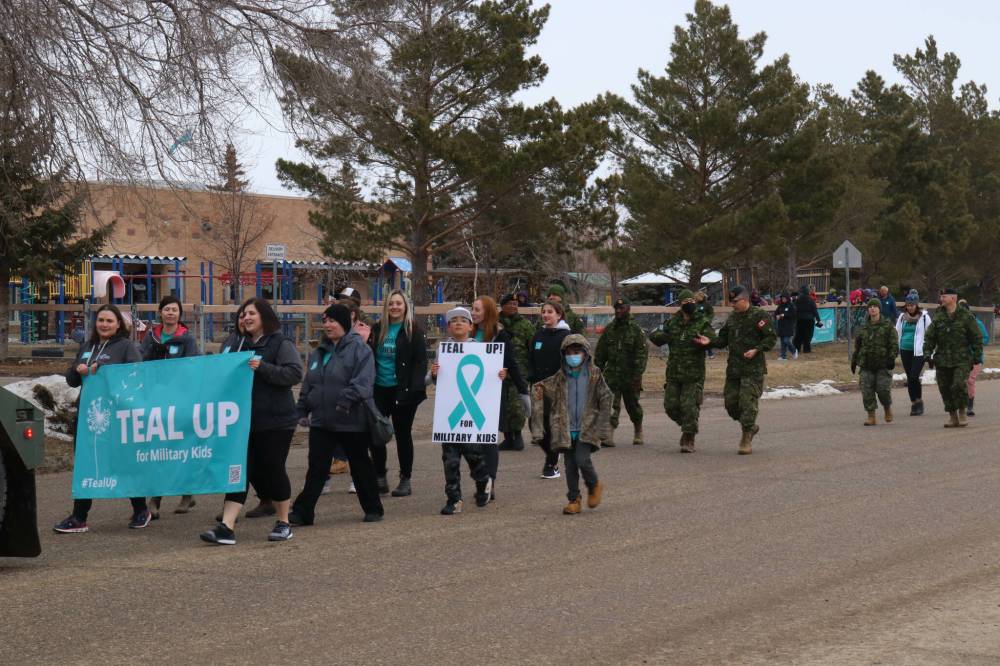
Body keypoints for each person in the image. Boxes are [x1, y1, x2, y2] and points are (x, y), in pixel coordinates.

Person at [200, 298, 302, 545]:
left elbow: (294, 373)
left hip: (276, 420)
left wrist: (263, 367)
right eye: (243, 314)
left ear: (264, 316)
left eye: (251, 314)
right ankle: (226, 526)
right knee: (237, 471)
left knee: (272, 470)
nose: (245, 318)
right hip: (242, 421)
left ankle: (283, 522)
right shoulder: (237, 344)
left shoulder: (280, 342)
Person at [54, 304, 146, 533]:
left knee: (123, 461)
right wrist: (77, 369)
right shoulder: (88, 345)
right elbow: (71, 380)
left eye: (109, 321)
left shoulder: (126, 346)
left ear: (118, 325)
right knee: (87, 463)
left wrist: (104, 368)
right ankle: (79, 517)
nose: (104, 324)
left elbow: (136, 374)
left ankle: (141, 509)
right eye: (101, 320)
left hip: (117, 415)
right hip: (89, 416)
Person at [290, 304, 382, 525]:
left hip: (351, 420)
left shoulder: (361, 350)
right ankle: (303, 512)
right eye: (325, 320)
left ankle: (373, 508)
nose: (327, 325)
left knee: (360, 466)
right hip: (322, 420)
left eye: (332, 320)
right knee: (317, 468)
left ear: (344, 323)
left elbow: (364, 382)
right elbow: (309, 383)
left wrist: (345, 401)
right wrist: (302, 407)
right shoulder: (319, 352)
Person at [529, 334, 610, 515]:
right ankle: (574, 499)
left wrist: (604, 425)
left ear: (585, 353)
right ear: (563, 354)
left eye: (577, 352)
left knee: (582, 459)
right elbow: (541, 388)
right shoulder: (559, 378)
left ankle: (594, 484)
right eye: (569, 352)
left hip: (587, 428)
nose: (573, 356)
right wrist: (538, 390)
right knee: (570, 466)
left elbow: (606, 397)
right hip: (565, 430)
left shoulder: (594, 375)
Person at [140, 295, 201, 518]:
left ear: (179, 314)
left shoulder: (187, 339)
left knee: (178, 447)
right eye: (166, 309)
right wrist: (150, 354)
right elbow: (139, 360)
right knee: (158, 449)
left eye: (174, 310)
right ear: (160, 312)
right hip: (156, 399)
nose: (170, 313)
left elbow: (195, 366)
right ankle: (155, 500)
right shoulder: (151, 336)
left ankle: (187, 493)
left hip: (179, 400)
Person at [428, 307, 493, 515]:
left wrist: (499, 374)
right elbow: (430, 380)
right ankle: (454, 499)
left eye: (463, 320)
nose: (458, 323)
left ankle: (484, 483)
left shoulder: (481, 349)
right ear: (448, 327)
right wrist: (434, 373)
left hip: (471, 417)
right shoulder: (443, 350)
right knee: (450, 460)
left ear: (470, 326)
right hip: (449, 417)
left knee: (474, 457)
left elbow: (490, 379)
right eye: (453, 320)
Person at [369, 289, 427, 497]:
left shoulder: (413, 330)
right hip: (379, 389)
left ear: (405, 307)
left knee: (403, 435)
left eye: (398, 304)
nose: (394, 307)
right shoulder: (377, 329)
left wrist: (415, 388)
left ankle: (405, 478)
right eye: (391, 303)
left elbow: (421, 362)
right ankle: (380, 476)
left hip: (403, 390)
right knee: (376, 434)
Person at [708, 285, 777, 454]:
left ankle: (746, 436)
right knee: (731, 404)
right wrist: (708, 342)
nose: (732, 304)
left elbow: (771, 337)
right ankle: (751, 426)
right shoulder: (732, 318)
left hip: (752, 369)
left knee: (747, 404)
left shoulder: (759, 315)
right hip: (734, 369)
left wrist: (757, 349)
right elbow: (723, 339)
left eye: (735, 301)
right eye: (731, 301)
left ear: (745, 299)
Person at [471, 296, 527, 500]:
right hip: (469, 395)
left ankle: (489, 481)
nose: (473, 312)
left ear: (488, 311)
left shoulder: (499, 334)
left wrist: (523, 391)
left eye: (477, 309)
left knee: (487, 441)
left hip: (490, 394)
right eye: (472, 309)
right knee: (471, 443)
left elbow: (510, 363)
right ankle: (479, 477)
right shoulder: (467, 331)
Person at [648, 289, 715, 452]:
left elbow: (712, 338)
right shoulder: (673, 323)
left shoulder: (701, 321)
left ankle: (688, 437)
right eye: (685, 302)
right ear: (680, 304)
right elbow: (660, 336)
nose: (689, 305)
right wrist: (656, 335)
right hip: (674, 372)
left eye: (691, 301)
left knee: (689, 406)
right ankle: (687, 424)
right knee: (670, 406)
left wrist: (708, 342)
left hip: (693, 373)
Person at [923, 288, 983, 428]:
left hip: (961, 359)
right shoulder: (939, 316)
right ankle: (952, 416)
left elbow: (976, 337)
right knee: (944, 388)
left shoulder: (965, 316)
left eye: (944, 296)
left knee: (959, 385)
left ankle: (962, 412)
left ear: (953, 298)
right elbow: (930, 337)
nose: (942, 299)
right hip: (942, 359)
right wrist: (927, 354)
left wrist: (977, 355)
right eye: (941, 296)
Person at [526, 300, 572, 479]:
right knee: (534, 425)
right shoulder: (538, 336)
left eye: (550, 312)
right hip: (538, 388)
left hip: (559, 388)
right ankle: (553, 452)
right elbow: (531, 359)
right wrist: (530, 377)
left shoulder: (567, 336)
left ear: (559, 315)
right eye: (543, 311)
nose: (545, 315)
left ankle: (551, 464)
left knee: (553, 426)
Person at [594, 297, 648, 446]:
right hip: (612, 374)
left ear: (628, 308)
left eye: (621, 308)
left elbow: (642, 354)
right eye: (616, 308)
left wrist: (638, 374)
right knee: (610, 404)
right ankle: (609, 433)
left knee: (633, 406)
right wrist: (597, 370)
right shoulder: (610, 329)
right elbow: (601, 352)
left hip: (630, 375)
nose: (618, 311)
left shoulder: (636, 330)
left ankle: (638, 429)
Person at [851, 298, 898, 426]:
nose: (872, 308)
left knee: (883, 390)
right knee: (866, 390)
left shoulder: (887, 326)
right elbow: (858, 346)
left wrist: (891, 358)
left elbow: (894, 345)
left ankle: (887, 408)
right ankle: (871, 416)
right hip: (866, 364)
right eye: (870, 306)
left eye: (875, 306)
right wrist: (854, 360)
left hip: (883, 364)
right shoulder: (863, 328)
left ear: (879, 309)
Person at [498, 293, 536, 451]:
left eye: (515, 304)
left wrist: (531, 370)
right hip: (497, 373)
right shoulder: (494, 324)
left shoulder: (525, 325)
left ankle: (518, 435)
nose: (514, 306)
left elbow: (532, 348)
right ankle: (507, 437)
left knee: (517, 406)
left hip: (519, 373)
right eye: (510, 303)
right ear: (503, 306)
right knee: (502, 406)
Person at [895, 290, 932, 416]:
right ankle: (914, 402)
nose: (910, 307)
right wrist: (896, 347)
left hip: (919, 351)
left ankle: (919, 401)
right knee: (910, 378)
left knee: (914, 376)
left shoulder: (924, 318)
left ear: (917, 305)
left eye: (912, 305)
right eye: (908, 305)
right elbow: (897, 332)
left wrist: (931, 354)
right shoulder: (902, 317)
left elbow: (931, 335)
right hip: (905, 350)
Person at [958, 299, 989, 417]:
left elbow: (985, 338)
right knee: (960, 381)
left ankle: (970, 405)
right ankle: (962, 402)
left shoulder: (977, 323)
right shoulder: (956, 324)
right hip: (961, 357)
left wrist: (974, 343)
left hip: (975, 357)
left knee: (970, 380)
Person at [793, 285, 822, 355]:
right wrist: (819, 320)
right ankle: (806, 349)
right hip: (809, 320)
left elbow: (794, 310)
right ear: (807, 292)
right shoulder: (811, 300)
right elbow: (815, 311)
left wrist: (794, 319)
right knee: (808, 335)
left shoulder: (798, 300)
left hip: (800, 319)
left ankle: (797, 348)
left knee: (798, 335)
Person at [774, 291, 797, 361]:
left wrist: (785, 315)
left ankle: (794, 351)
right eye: (782, 298)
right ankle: (783, 356)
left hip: (788, 326)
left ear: (787, 298)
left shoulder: (791, 305)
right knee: (782, 342)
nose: (783, 299)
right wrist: (777, 316)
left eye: (784, 298)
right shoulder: (780, 305)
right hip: (781, 326)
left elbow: (793, 314)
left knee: (786, 340)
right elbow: (775, 313)